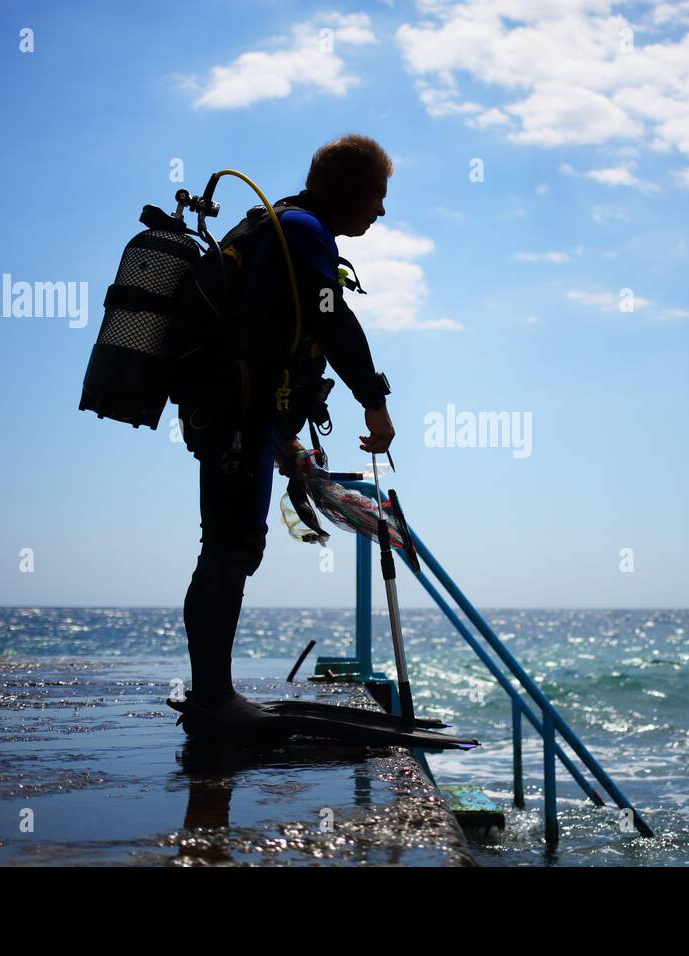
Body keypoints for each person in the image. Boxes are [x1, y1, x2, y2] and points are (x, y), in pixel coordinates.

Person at [180, 134, 396, 728]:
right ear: (347, 187)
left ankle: (212, 696)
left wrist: (282, 434)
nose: (381, 210)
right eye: (377, 195)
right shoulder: (303, 231)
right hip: (237, 420)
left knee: (227, 546)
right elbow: (333, 320)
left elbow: (274, 337)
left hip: (238, 418)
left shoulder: (280, 227)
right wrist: (374, 403)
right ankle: (214, 702)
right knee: (229, 548)